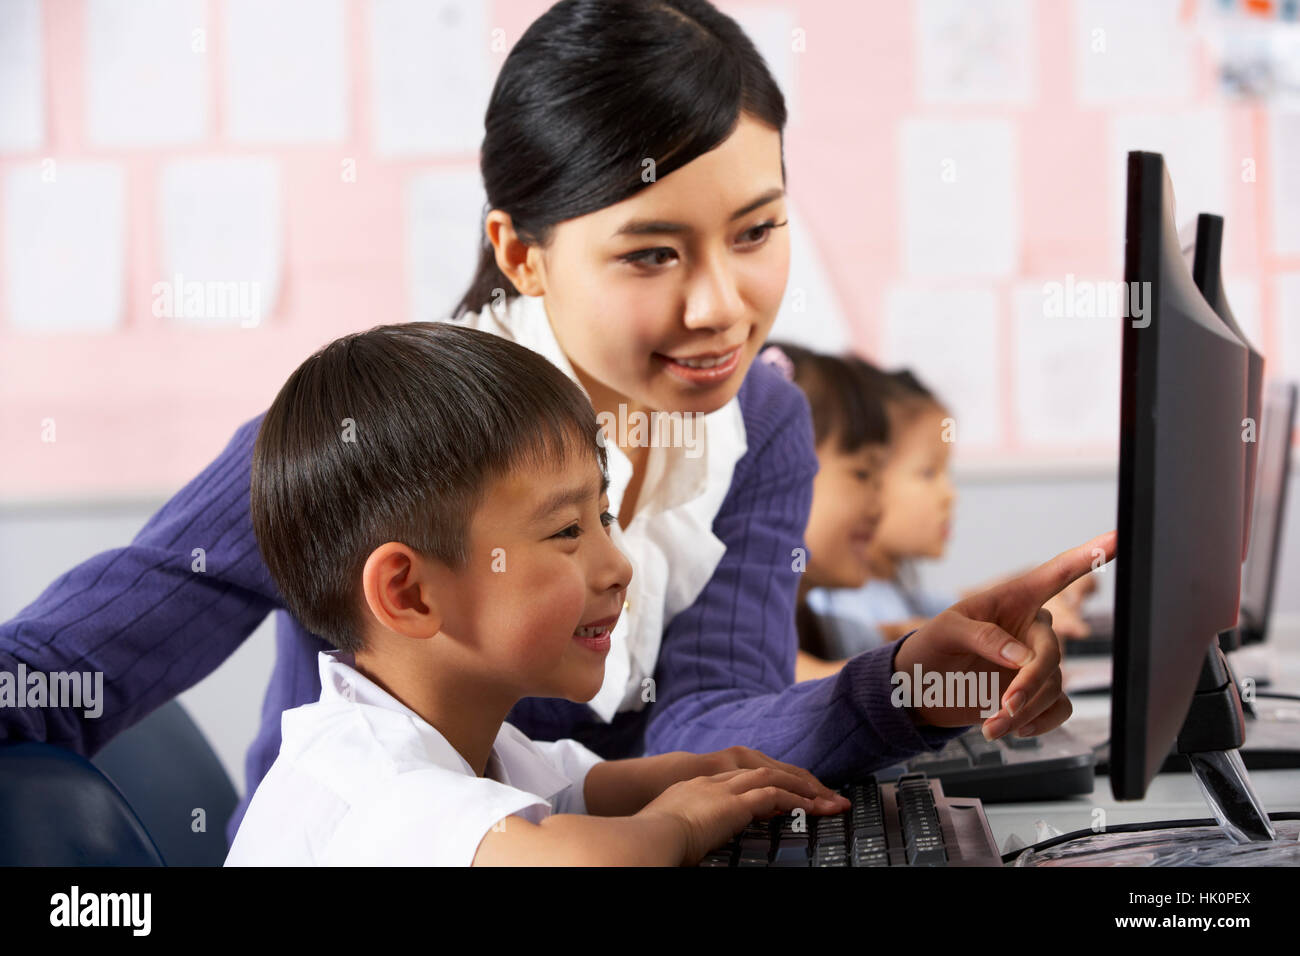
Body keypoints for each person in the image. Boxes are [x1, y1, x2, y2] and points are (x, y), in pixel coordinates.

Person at [0, 0, 1104, 847]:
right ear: (522, 252)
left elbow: (696, 722)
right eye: (651, 252)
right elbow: (56, 671)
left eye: (757, 229)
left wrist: (913, 683)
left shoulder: (758, 419)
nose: (721, 304)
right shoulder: (378, 438)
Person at [226, 323, 848, 865]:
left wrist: (696, 774)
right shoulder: (368, 778)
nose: (618, 566)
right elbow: (572, 859)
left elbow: (574, 793)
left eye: (604, 517)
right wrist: (679, 823)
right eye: (566, 531)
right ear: (410, 594)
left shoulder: (468, 738)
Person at [808, 368, 1096, 655]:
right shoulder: (838, 602)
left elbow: (966, 603)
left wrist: (1056, 579)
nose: (950, 494)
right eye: (928, 472)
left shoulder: (893, 594)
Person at [755, 344, 892, 682]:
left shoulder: (820, 626)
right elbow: (825, 687)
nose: (880, 507)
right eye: (862, 473)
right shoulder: (724, 637)